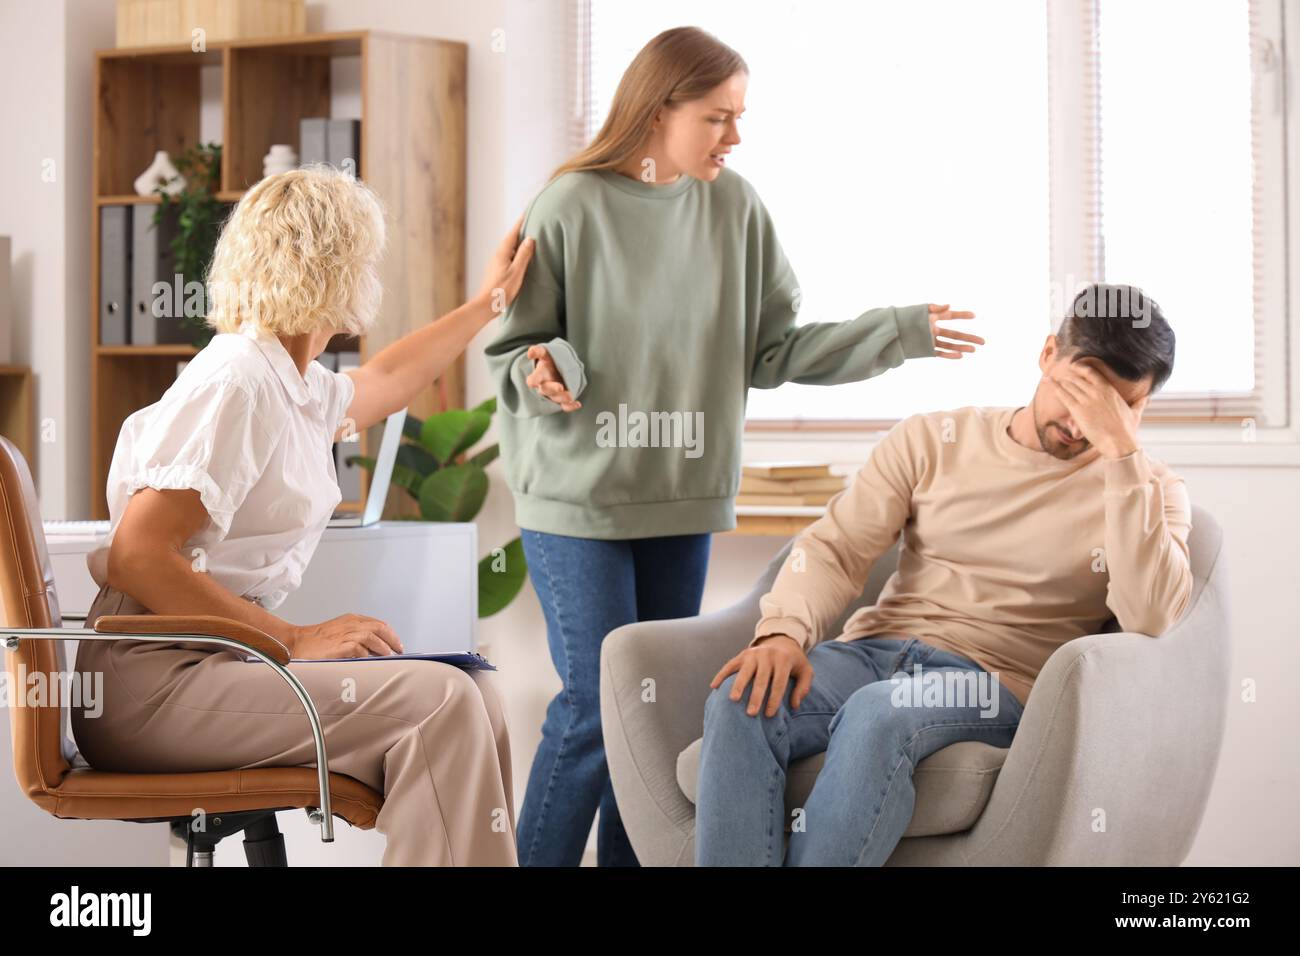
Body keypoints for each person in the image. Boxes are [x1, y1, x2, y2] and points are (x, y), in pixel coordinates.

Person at [484, 26, 982, 867]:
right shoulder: (569, 205)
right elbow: (515, 350)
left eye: (740, 116)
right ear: (658, 109)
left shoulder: (736, 208)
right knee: (594, 711)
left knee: (648, 718)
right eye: (718, 117)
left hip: (681, 498)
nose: (735, 136)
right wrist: (548, 369)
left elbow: (775, 350)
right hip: (578, 500)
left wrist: (899, 332)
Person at [73, 165, 536, 866]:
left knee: (476, 690)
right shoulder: (238, 381)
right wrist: (292, 638)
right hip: (151, 684)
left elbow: (386, 379)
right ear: (338, 269)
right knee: (440, 701)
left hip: (210, 667)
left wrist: (488, 304)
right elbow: (138, 555)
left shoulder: (292, 382)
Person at [696, 283, 1193, 866]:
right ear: (1047, 354)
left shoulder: (1150, 490)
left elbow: (1150, 616)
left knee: (879, 714)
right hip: (872, 653)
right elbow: (836, 548)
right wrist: (783, 632)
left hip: (992, 681)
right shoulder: (933, 439)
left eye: (1118, 408)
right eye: (1079, 392)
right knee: (741, 699)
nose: (1082, 425)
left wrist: (1123, 460)